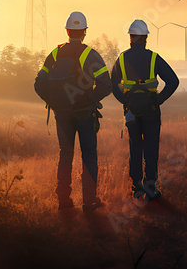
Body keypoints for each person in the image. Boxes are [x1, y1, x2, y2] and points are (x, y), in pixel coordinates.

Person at [35, 11, 111, 213]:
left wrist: (54, 102)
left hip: (62, 114)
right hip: (85, 114)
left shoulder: (55, 54)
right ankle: (89, 201)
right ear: (84, 32)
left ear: (67, 31)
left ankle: (63, 200)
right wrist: (90, 100)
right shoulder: (91, 55)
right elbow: (106, 85)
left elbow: (39, 84)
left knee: (65, 154)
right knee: (89, 156)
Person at [110, 19, 179, 200]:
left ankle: (137, 188)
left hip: (131, 111)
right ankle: (150, 188)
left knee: (135, 147)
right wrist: (158, 100)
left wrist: (125, 104)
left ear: (130, 38)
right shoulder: (154, 58)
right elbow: (174, 81)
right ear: (146, 38)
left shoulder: (122, 58)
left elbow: (112, 83)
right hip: (151, 111)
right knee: (151, 148)